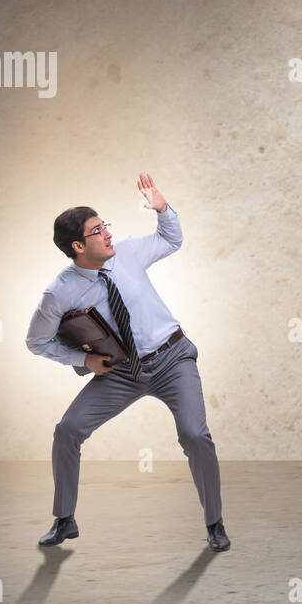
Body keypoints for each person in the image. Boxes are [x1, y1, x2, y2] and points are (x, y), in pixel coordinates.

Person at [25, 172, 230, 552]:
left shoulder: (129, 252)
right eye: (97, 230)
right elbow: (36, 341)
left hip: (172, 359)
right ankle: (64, 519)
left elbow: (172, 239)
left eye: (105, 225)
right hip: (121, 372)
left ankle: (215, 522)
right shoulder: (59, 292)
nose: (107, 234)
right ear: (77, 246)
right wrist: (84, 363)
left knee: (195, 435)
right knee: (67, 430)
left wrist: (163, 209)